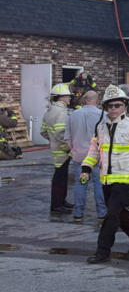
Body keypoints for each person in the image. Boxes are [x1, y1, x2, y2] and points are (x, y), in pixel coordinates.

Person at [81, 85, 129, 264]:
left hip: (125, 179)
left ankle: (102, 252)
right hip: (106, 179)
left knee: (111, 216)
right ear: (105, 108)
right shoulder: (100, 127)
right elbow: (94, 150)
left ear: (125, 105)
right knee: (120, 214)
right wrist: (86, 167)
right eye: (110, 106)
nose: (113, 109)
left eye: (117, 105)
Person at [64, 90, 106, 223]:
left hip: (80, 158)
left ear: (84, 100)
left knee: (81, 184)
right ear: (97, 100)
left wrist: (74, 150)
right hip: (98, 158)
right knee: (99, 185)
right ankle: (102, 214)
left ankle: (78, 214)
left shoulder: (73, 115)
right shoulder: (103, 115)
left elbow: (67, 138)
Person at [41, 83, 73, 215]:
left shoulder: (49, 111)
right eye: (68, 96)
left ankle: (61, 201)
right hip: (63, 151)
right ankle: (57, 205)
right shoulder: (61, 112)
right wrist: (67, 147)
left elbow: (43, 132)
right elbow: (61, 133)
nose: (70, 98)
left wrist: (53, 141)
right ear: (61, 97)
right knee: (60, 178)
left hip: (56, 149)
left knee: (61, 177)